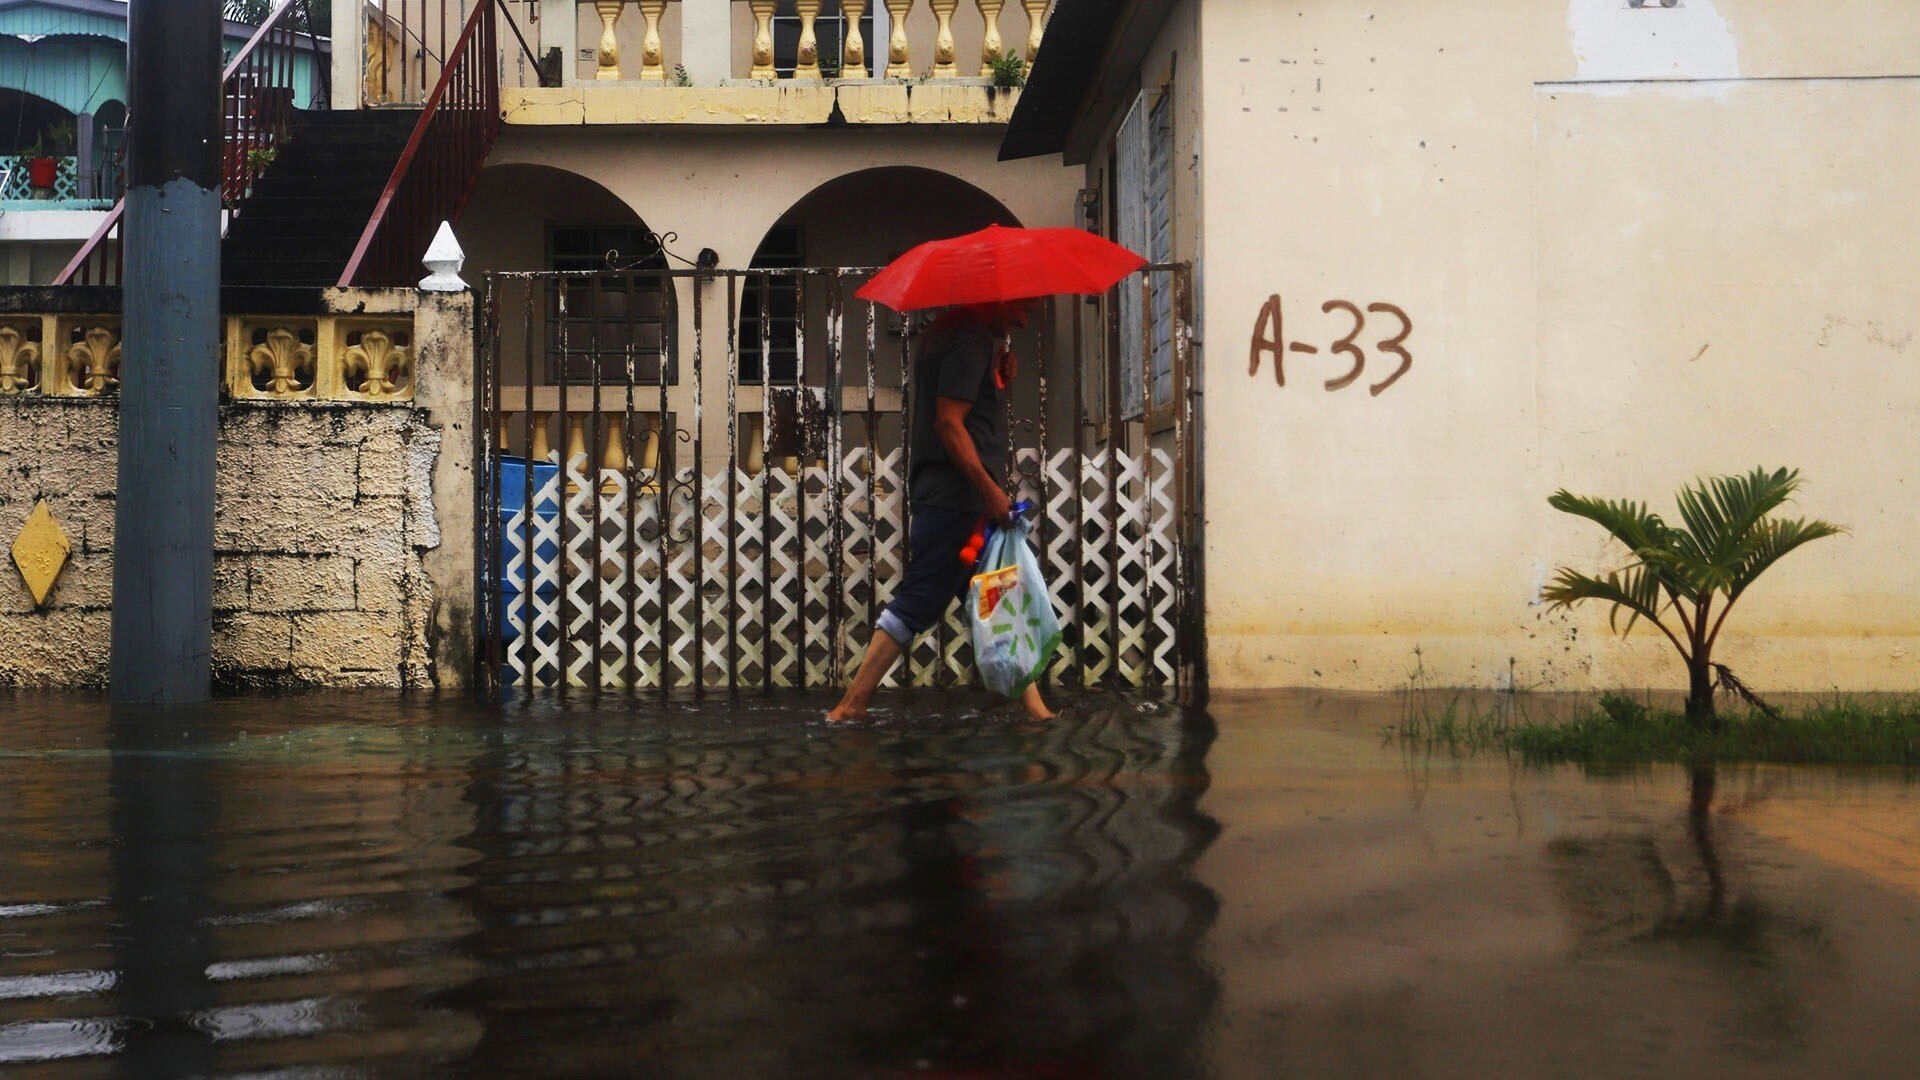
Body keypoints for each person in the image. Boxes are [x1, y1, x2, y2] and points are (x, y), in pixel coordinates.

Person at [828, 300, 1054, 722]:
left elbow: (967, 414)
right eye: (1022, 308)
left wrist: (995, 377)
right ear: (998, 297)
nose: (1024, 320)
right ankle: (850, 706)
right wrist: (990, 491)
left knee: (996, 597)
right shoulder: (968, 339)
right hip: (957, 501)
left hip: (961, 499)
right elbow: (949, 423)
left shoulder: (954, 334)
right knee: (920, 599)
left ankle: (1036, 711)